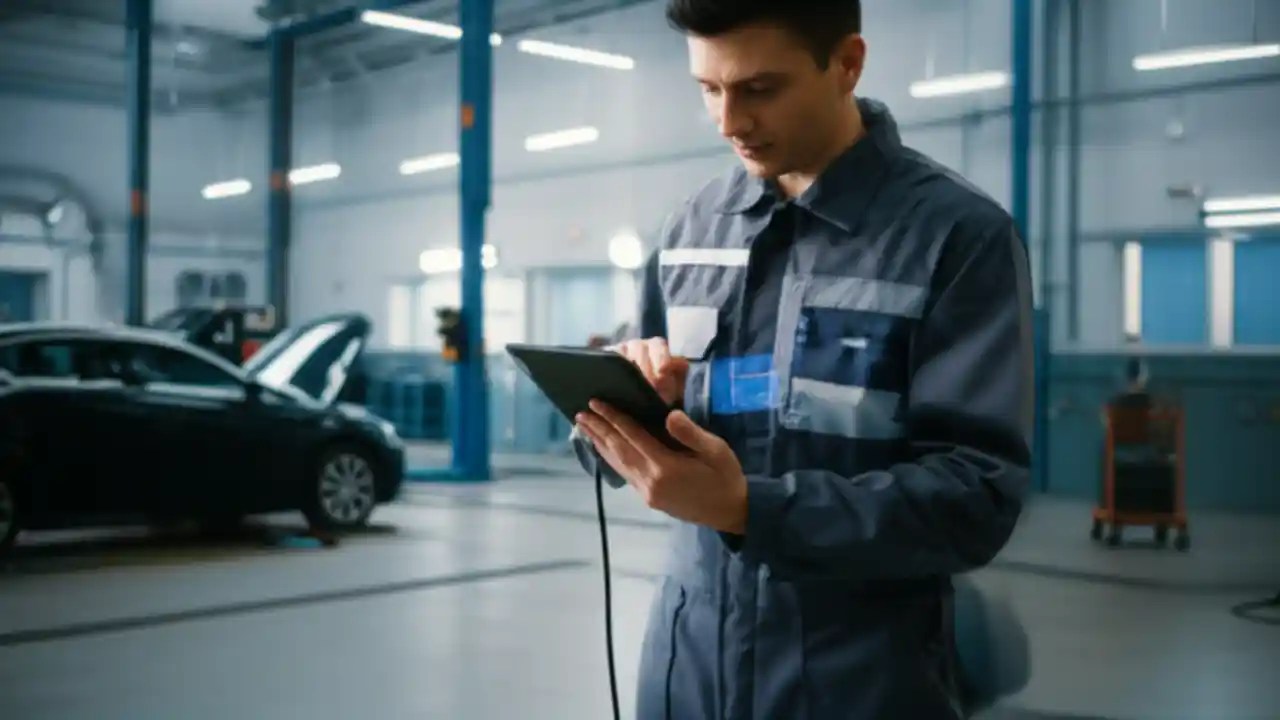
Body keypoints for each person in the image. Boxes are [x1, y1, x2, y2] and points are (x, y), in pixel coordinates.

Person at [571, 1, 1034, 717]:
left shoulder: (955, 238)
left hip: (857, 679)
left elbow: (975, 498)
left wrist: (753, 509)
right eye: (709, 89)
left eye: (760, 89)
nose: (730, 122)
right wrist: (625, 412)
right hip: (688, 668)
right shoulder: (692, 228)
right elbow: (644, 432)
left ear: (847, 63)